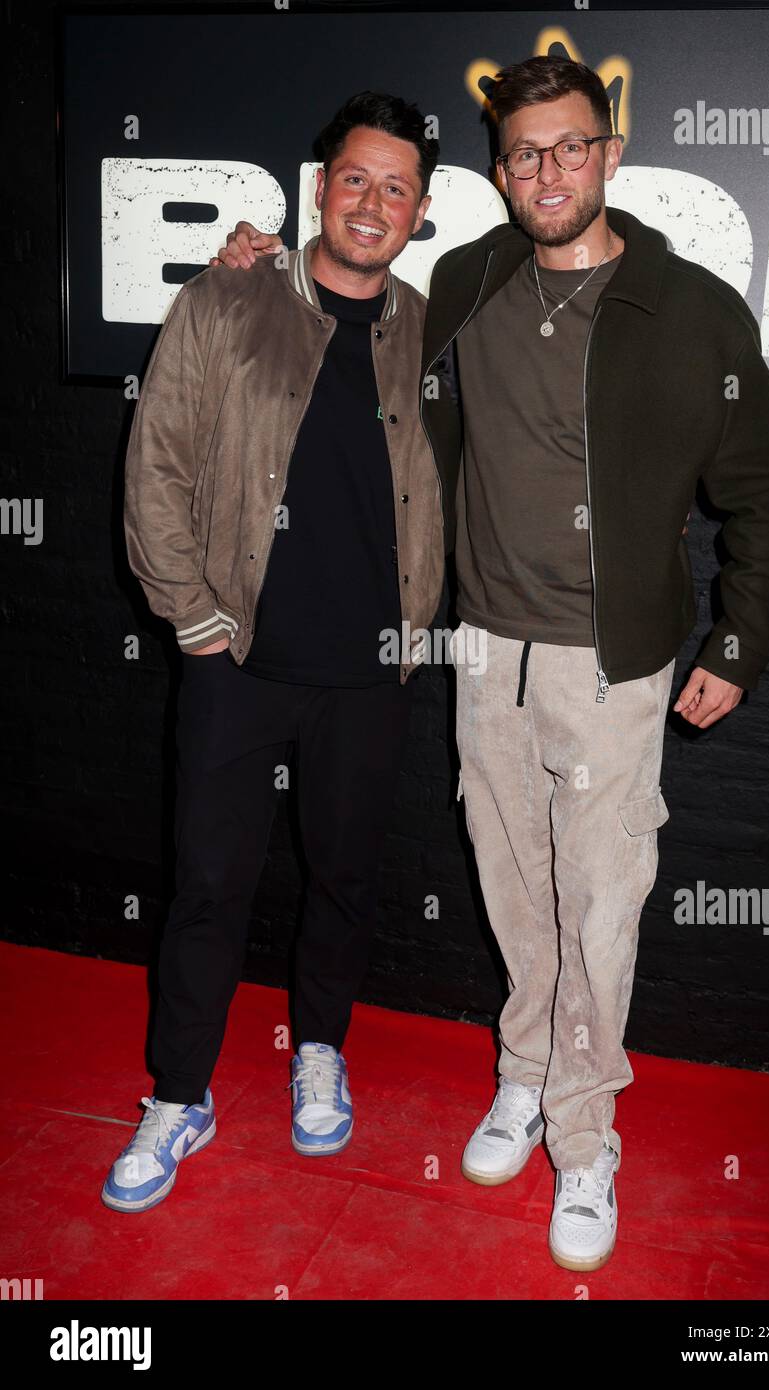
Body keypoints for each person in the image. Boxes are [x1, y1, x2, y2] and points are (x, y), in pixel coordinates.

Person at [212, 55, 769, 1273]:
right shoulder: (466, 281)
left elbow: (759, 498)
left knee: (601, 913)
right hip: (482, 654)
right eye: (522, 153)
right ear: (498, 171)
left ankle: (586, 1137)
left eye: (569, 147)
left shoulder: (689, 310)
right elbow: (347, 326)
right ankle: (523, 1076)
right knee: (515, 899)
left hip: (612, 671)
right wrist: (253, 265)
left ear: (609, 154)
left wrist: (734, 641)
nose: (546, 171)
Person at [102, 92, 444, 1214]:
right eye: (356, 178)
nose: (372, 202)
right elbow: (154, 466)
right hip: (235, 662)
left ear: (420, 211)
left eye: (396, 187)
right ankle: (180, 1092)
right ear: (318, 188)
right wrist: (191, 620)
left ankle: (319, 1050)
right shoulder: (226, 297)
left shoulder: (434, 331)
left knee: (343, 883)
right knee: (207, 883)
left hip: (371, 675)